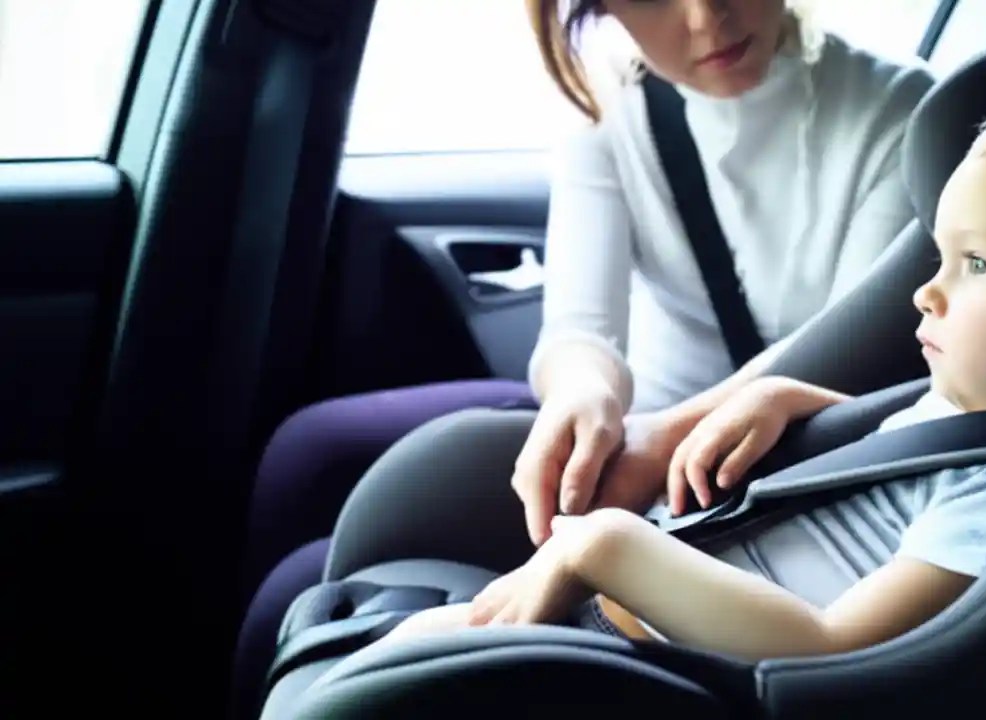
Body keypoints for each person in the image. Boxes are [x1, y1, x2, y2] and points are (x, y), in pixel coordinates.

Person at [234, 1, 933, 709]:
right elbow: (578, 327)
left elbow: (845, 351)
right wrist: (582, 395)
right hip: (634, 438)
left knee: (298, 587)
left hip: (761, 459)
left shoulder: (902, 111)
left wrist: (661, 446)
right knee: (306, 458)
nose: (706, 18)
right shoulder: (610, 103)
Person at [357, 76, 986, 660]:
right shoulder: (980, 412)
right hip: (625, 612)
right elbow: (905, 463)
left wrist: (600, 546)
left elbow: (834, 655)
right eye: (939, 257)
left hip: (648, 664)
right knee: (389, 642)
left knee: (389, 663)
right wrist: (795, 402)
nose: (925, 291)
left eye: (975, 264)